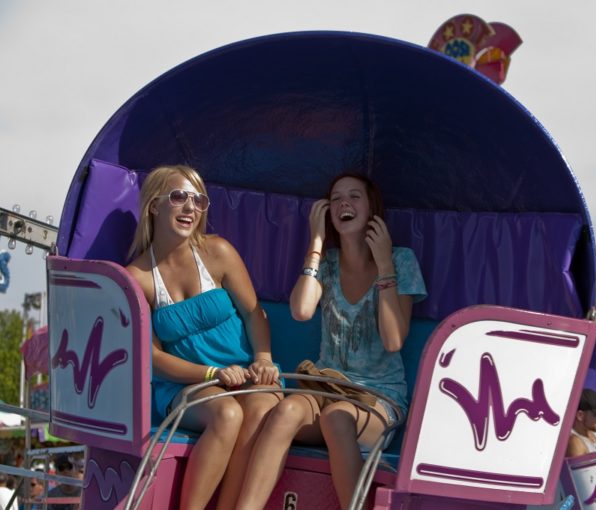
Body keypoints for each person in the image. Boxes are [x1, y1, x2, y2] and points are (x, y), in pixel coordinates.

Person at [240, 173, 427, 509]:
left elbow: (394, 339)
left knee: (337, 417)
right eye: (337, 198)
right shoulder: (326, 264)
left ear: (372, 209)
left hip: (377, 398)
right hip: (326, 386)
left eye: (355, 197)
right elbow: (300, 310)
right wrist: (315, 241)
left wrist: (384, 264)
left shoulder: (401, 260)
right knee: (286, 411)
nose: (344, 204)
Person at [125, 164, 281, 510]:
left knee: (261, 409)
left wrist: (263, 358)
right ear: (154, 205)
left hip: (245, 373)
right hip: (184, 385)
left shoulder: (219, 252)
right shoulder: (136, 277)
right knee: (227, 414)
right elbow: (152, 358)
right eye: (178, 197)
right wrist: (212, 374)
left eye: (199, 200)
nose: (190, 208)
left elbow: (255, 314)